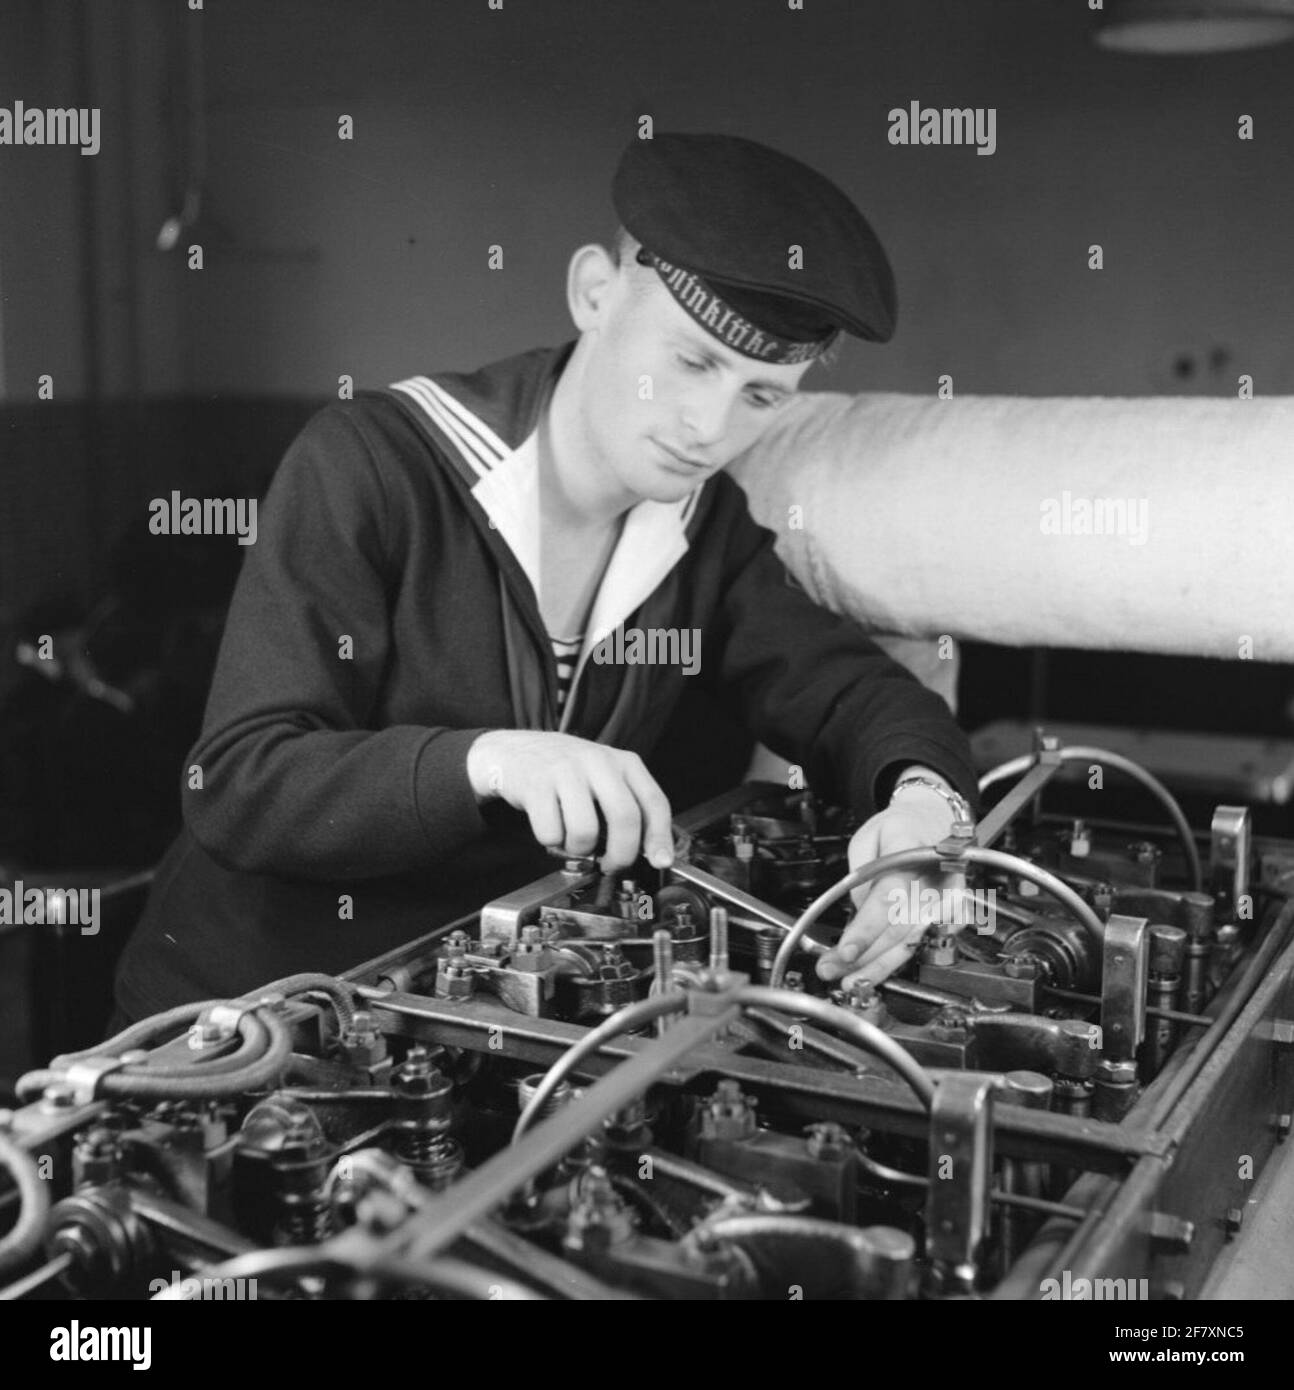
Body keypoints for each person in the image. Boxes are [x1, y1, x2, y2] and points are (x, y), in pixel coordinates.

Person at [110, 131, 980, 1029]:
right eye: (691, 362)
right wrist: (488, 760)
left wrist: (925, 809)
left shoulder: (703, 530)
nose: (708, 426)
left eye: (761, 396)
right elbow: (241, 779)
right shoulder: (372, 464)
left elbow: (853, 692)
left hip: (464, 1020)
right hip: (247, 1016)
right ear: (594, 293)